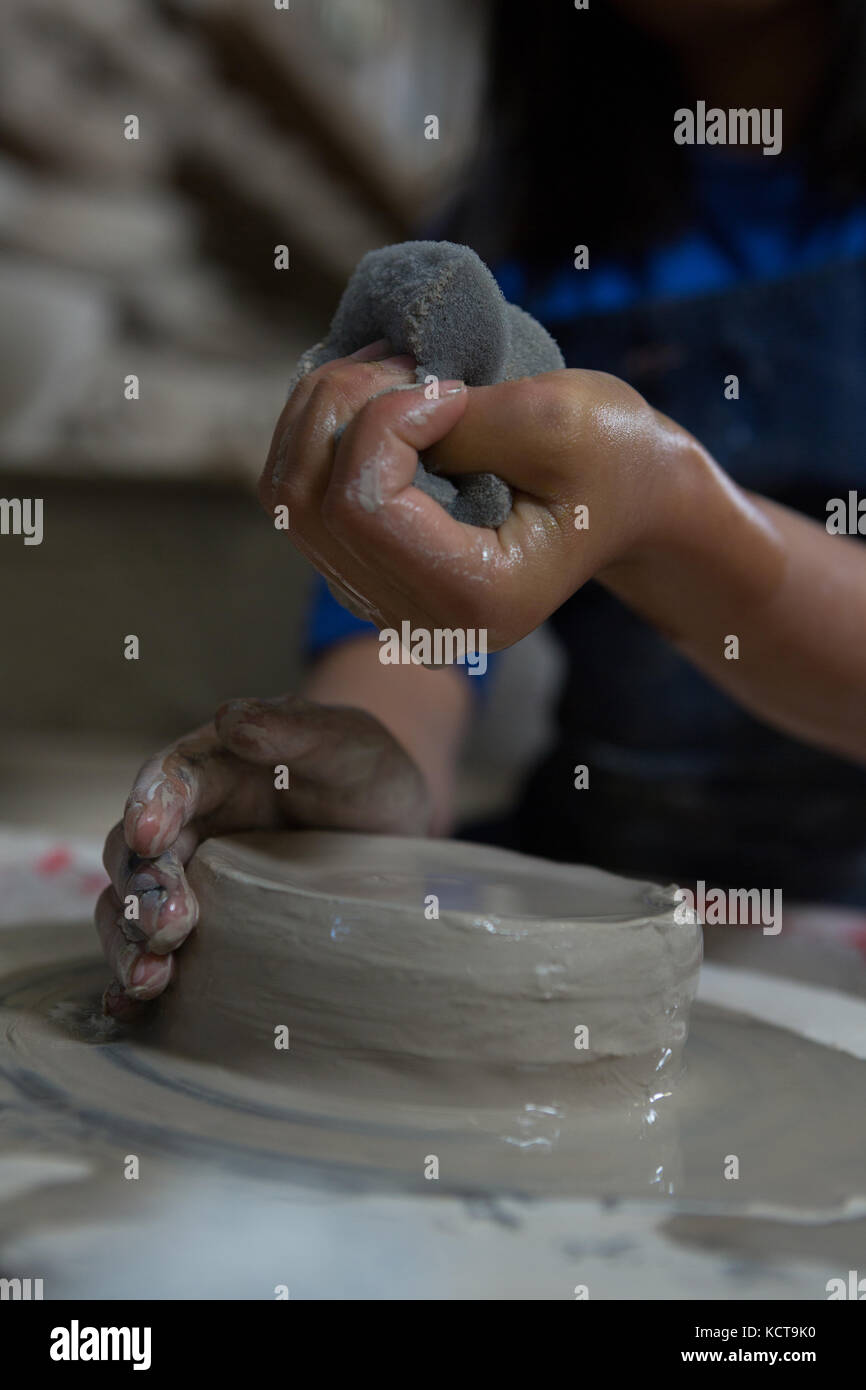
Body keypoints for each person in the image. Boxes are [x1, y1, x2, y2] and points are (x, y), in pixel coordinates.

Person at [98, 0, 866, 1017]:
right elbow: (420, 629)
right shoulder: (510, 228)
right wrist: (368, 781)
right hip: (601, 877)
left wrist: (674, 519)